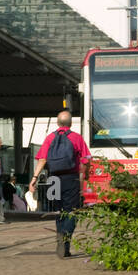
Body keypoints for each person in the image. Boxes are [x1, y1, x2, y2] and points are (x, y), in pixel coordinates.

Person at [32, 109, 91, 258]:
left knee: (59, 211)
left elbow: (42, 159)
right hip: (71, 179)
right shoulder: (77, 138)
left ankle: (60, 235)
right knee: (72, 212)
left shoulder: (49, 138)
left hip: (53, 179)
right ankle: (65, 240)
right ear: (71, 123)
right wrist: (85, 176)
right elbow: (86, 160)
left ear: (57, 123)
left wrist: (34, 178)